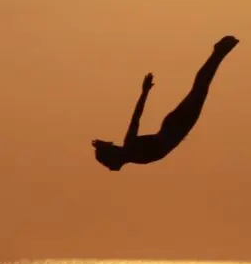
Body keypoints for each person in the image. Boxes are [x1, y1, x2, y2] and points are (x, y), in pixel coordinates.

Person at [92, 35, 239, 171]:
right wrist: (144, 92)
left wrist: (145, 92)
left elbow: (136, 117)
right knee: (200, 88)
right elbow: (136, 117)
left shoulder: (131, 149)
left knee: (200, 88)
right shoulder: (132, 151)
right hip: (174, 125)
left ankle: (219, 52)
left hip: (178, 126)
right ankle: (219, 53)